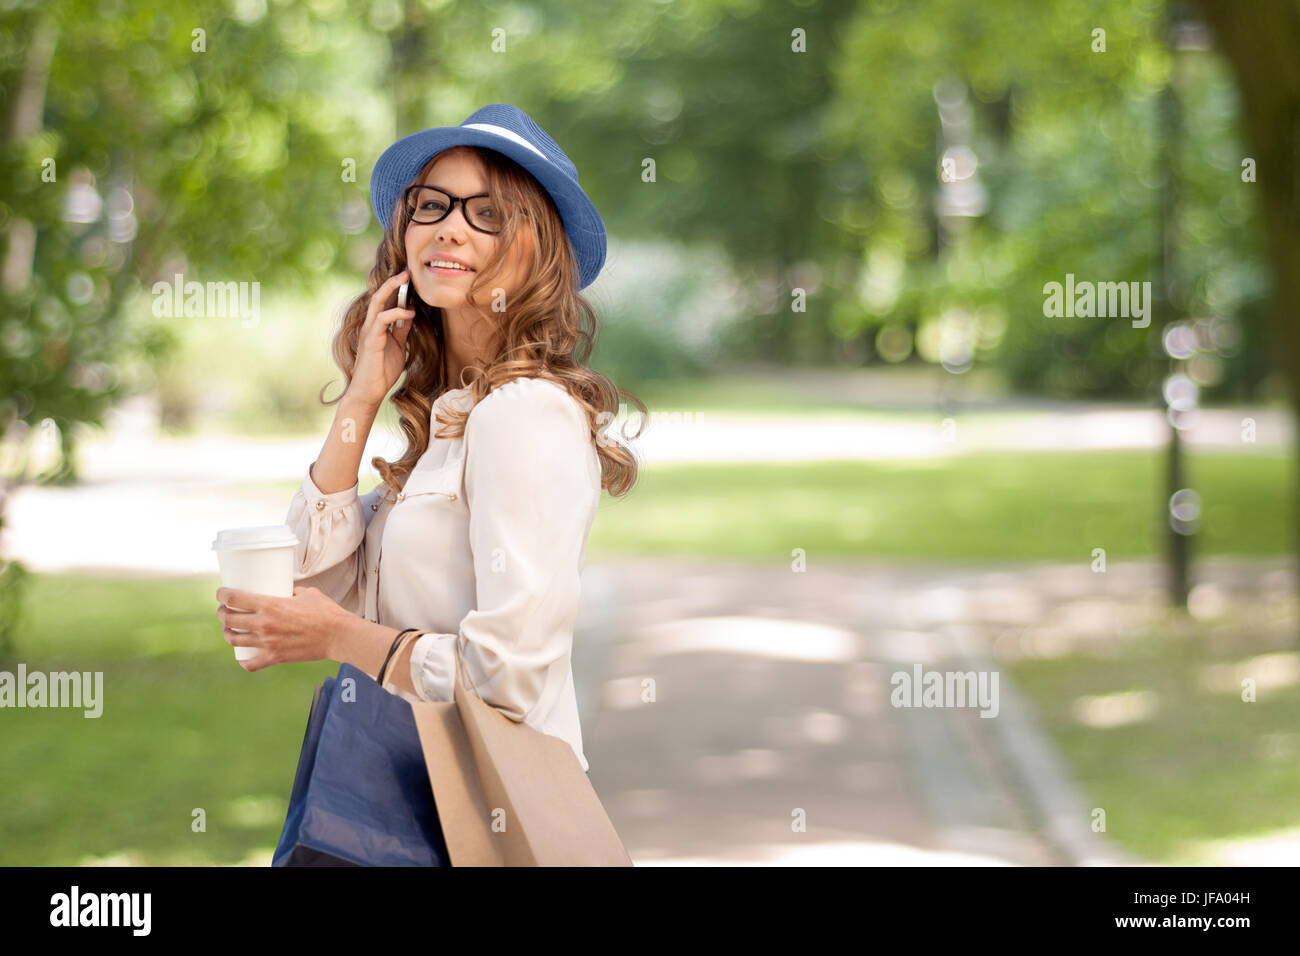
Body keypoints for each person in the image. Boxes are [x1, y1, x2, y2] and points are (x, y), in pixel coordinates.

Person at [214, 104, 647, 779]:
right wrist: (361, 395)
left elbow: (507, 677)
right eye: (432, 205)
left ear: (537, 248)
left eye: (488, 213)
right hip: (410, 792)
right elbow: (309, 577)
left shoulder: (524, 413)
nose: (449, 227)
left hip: (492, 810)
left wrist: (336, 636)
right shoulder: (448, 422)